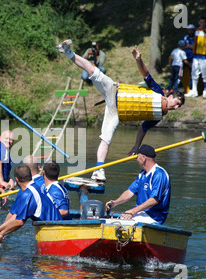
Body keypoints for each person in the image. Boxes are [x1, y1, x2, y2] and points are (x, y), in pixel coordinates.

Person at [56, 40, 184, 181]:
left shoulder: (158, 116)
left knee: (106, 138)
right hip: (114, 91)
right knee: (93, 71)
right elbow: (146, 74)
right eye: (176, 103)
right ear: (170, 96)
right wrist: (139, 60)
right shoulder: (159, 91)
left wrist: (136, 147)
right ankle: (67, 51)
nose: (175, 107)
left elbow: (143, 128)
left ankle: (98, 170)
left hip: (117, 113)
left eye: (178, 107)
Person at [0, 165, 62, 242]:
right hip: (56, 228)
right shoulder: (36, 187)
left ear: (16, 179)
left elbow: (19, 222)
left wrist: (2, 233)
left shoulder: (28, 194)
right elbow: (17, 216)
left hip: (53, 233)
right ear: (30, 176)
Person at [105, 145, 171, 225]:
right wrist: (115, 202)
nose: (136, 159)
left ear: (143, 158)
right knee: (115, 220)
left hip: (154, 217)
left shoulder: (159, 174)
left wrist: (133, 211)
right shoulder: (142, 174)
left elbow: (154, 200)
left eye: (137, 157)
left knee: (121, 223)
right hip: (141, 213)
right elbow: (130, 192)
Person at [185, 16, 206, 98]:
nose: (202, 24)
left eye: (203, 22)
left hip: (204, 55)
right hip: (196, 55)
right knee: (194, 73)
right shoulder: (197, 31)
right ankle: (194, 90)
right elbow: (195, 42)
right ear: (198, 23)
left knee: (205, 74)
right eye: (201, 22)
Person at [181, 24, 196, 90]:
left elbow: (196, 47)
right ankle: (179, 87)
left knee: (192, 73)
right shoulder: (185, 37)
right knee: (179, 72)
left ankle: (191, 88)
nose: (190, 32)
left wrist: (189, 46)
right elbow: (181, 46)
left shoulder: (196, 38)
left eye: (191, 30)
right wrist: (190, 46)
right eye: (189, 30)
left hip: (193, 58)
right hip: (184, 58)